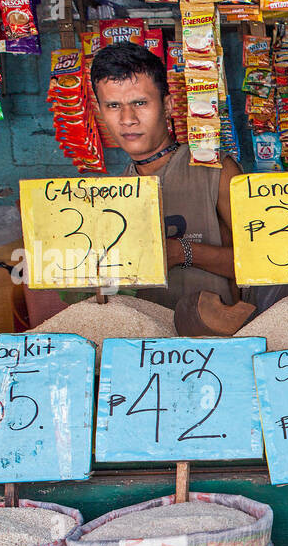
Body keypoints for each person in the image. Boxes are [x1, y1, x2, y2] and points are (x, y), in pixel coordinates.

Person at [89, 41, 250, 330]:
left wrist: (181, 252)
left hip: (219, 342)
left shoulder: (214, 170)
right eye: (114, 106)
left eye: (140, 103)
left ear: (168, 105)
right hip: (145, 347)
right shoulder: (111, 194)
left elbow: (266, 262)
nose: (127, 119)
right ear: (100, 111)